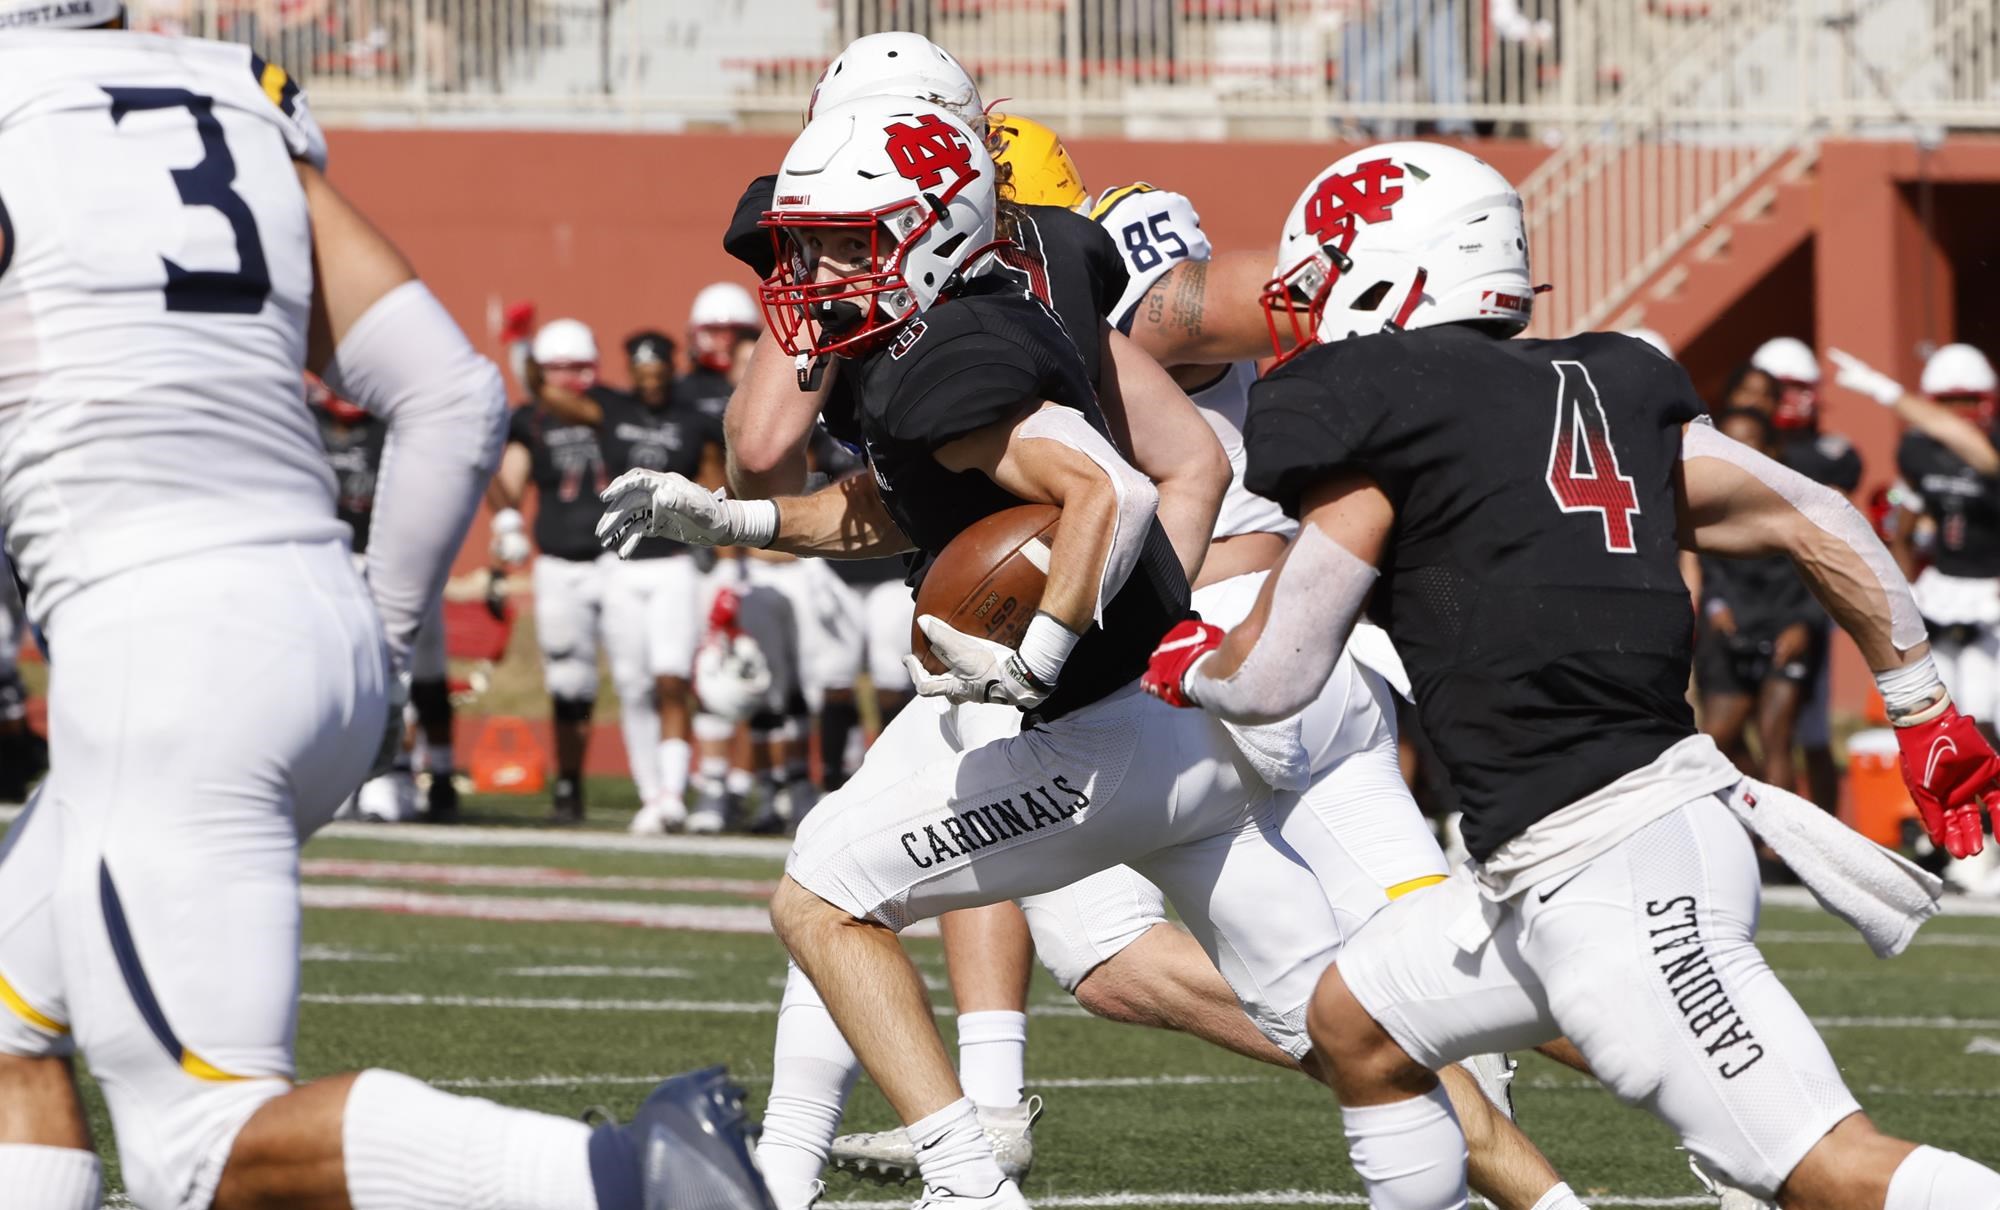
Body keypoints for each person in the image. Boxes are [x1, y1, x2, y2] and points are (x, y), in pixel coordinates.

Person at [0, 8, 769, 1210]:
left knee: (198, 1144)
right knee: (6, 1005)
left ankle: (627, 1179)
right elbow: (455, 396)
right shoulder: (225, 94)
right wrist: (384, 632)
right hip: (310, 623)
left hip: (160, 649)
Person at [1142, 139, 2000, 1210]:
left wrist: (1189, 664)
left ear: (1391, 266)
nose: (1305, 302)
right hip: (1564, 857)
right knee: (1354, 1025)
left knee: (1826, 1168)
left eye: (1324, 268)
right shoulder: (1601, 387)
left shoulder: (1376, 397)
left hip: (1612, 868)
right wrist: (1920, 709)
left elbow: (1273, 675)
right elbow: (1817, 517)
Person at [1847, 343, 2000, 890]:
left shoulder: (1988, 444)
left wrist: (1892, 394)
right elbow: (1910, 523)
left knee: (1988, 721)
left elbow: (1977, 454)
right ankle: (1968, 844)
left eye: (1967, 399)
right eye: (1948, 400)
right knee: (1948, 723)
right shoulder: (1918, 450)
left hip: (1993, 594)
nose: (1958, 410)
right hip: (1943, 592)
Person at [312, 374, 459, 822]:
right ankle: (336, 775)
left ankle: (393, 775)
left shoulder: (396, 431)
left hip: (390, 560)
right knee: (332, 677)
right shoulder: (304, 423)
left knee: (399, 675)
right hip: (325, 560)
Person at [486, 319, 616, 824]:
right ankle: (568, 785)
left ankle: (665, 790)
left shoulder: (609, 406)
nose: (567, 379)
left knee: (642, 674)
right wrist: (505, 520)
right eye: (557, 370)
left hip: (618, 562)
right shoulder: (531, 421)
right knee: (568, 681)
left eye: (576, 368)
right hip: (560, 561)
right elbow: (508, 483)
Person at [1745, 335, 1857, 812]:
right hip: (1747, 594)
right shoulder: (1736, 441)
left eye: (1796, 387)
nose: (1789, 399)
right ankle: (1764, 833)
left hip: (1805, 596)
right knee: (1741, 722)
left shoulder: (1830, 455)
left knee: (1806, 728)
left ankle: (1821, 832)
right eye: (1779, 388)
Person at [1694, 409, 1823, 793]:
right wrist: (1717, 607)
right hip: (1732, 630)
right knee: (1717, 739)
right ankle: (1755, 819)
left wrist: (1805, 624)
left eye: (1747, 441)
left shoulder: (1802, 501)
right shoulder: (1709, 498)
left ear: (1771, 448)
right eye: (1727, 442)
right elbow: (1708, 566)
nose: (1736, 452)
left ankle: (1777, 849)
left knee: (1775, 734)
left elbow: (1823, 576)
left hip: (1788, 631)